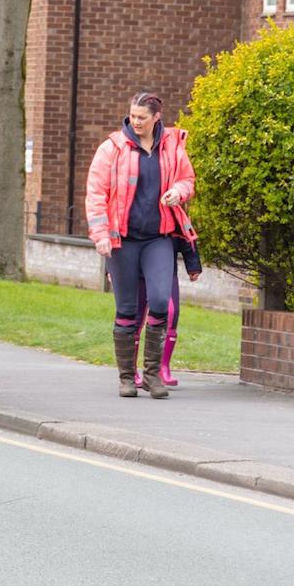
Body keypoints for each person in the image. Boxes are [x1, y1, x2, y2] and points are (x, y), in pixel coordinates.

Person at [86, 91, 197, 400]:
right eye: (132, 116)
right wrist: (101, 236)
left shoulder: (172, 147)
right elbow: (95, 193)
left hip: (158, 239)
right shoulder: (112, 149)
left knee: (161, 302)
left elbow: (188, 179)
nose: (135, 122)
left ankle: (152, 376)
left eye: (141, 118)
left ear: (156, 118)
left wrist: (178, 191)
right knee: (127, 310)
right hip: (122, 241)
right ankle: (126, 377)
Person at [134, 233, 203, 388]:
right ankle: (130, 371)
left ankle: (162, 367)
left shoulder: (171, 208)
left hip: (165, 267)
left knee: (171, 314)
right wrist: (111, 267)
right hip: (135, 266)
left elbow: (185, 231)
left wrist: (192, 264)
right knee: (135, 318)